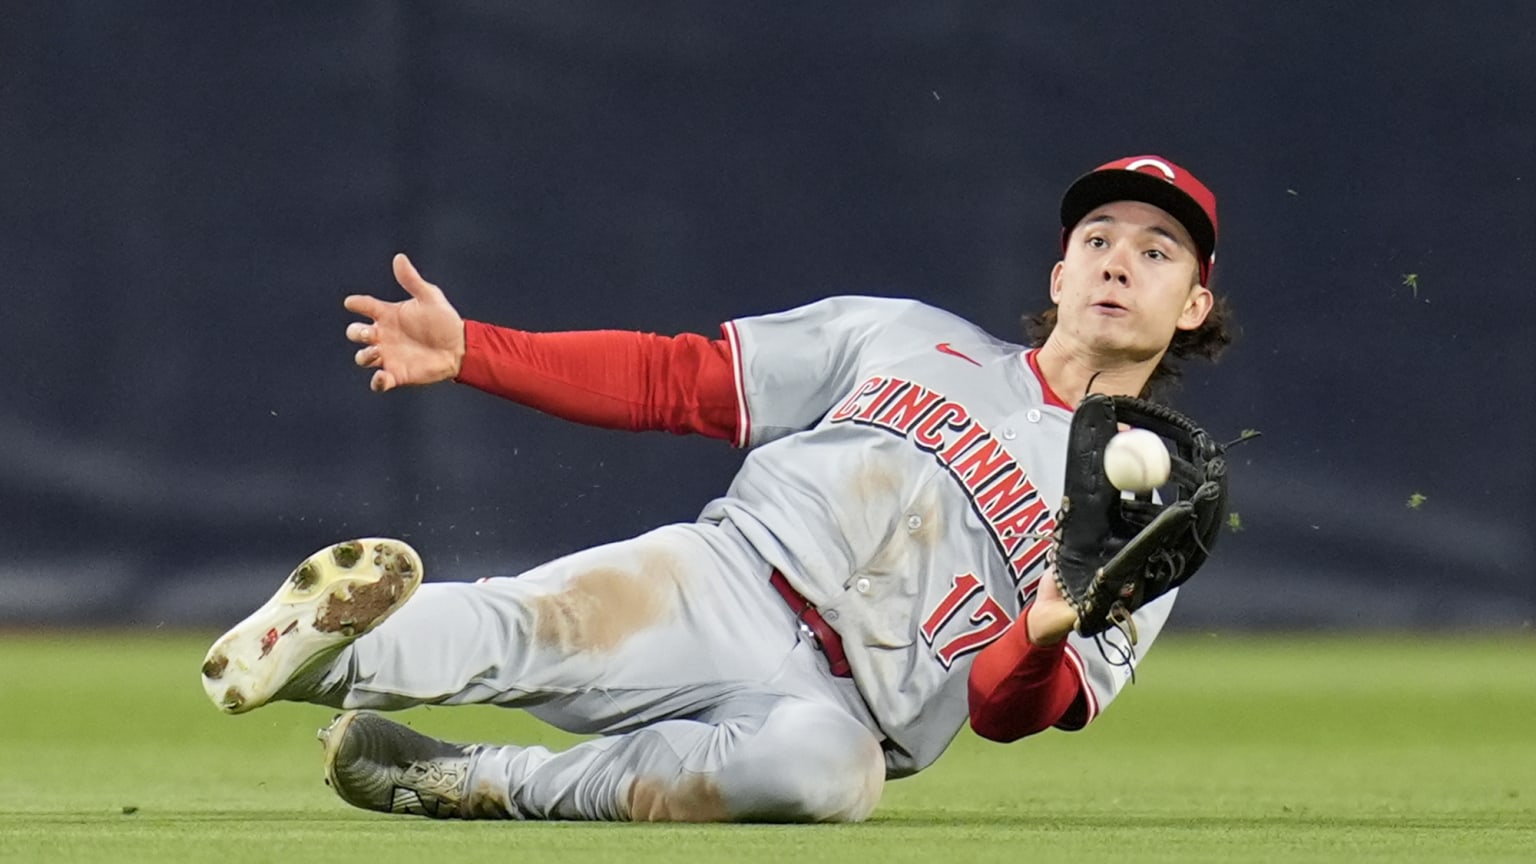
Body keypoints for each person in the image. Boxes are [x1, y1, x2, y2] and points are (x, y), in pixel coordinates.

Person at [201, 154, 1232, 823]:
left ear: (1192, 304)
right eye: (1095, 240)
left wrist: (1046, 628)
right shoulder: (907, 337)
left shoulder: (1145, 526)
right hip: (727, 577)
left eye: (1154, 250)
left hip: (845, 715)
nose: (1115, 263)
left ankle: (469, 780)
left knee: (831, 785)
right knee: (519, 627)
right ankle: (302, 652)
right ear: (1057, 277)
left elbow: (1008, 715)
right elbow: (679, 380)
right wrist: (477, 350)